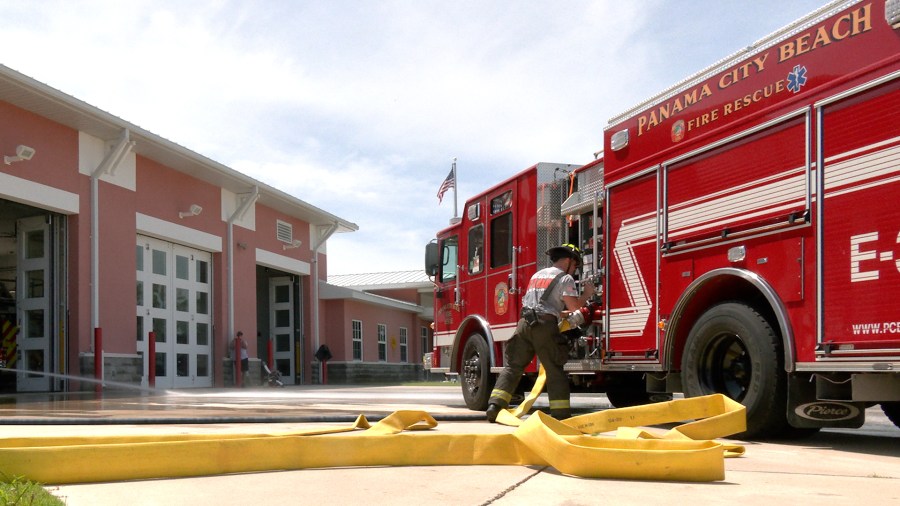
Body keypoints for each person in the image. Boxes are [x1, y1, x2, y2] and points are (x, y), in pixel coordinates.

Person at [486, 243, 594, 422]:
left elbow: (542, 304)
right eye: (575, 265)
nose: (574, 269)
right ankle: (561, 415)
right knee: (554, 369)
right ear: (567, 260)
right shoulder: (565, 278)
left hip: (524, 324)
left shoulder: (537, 275)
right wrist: (588, 294)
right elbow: (575, 307)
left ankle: (494, 406)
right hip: (544, 327)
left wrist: (560, 313)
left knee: (513, 366)